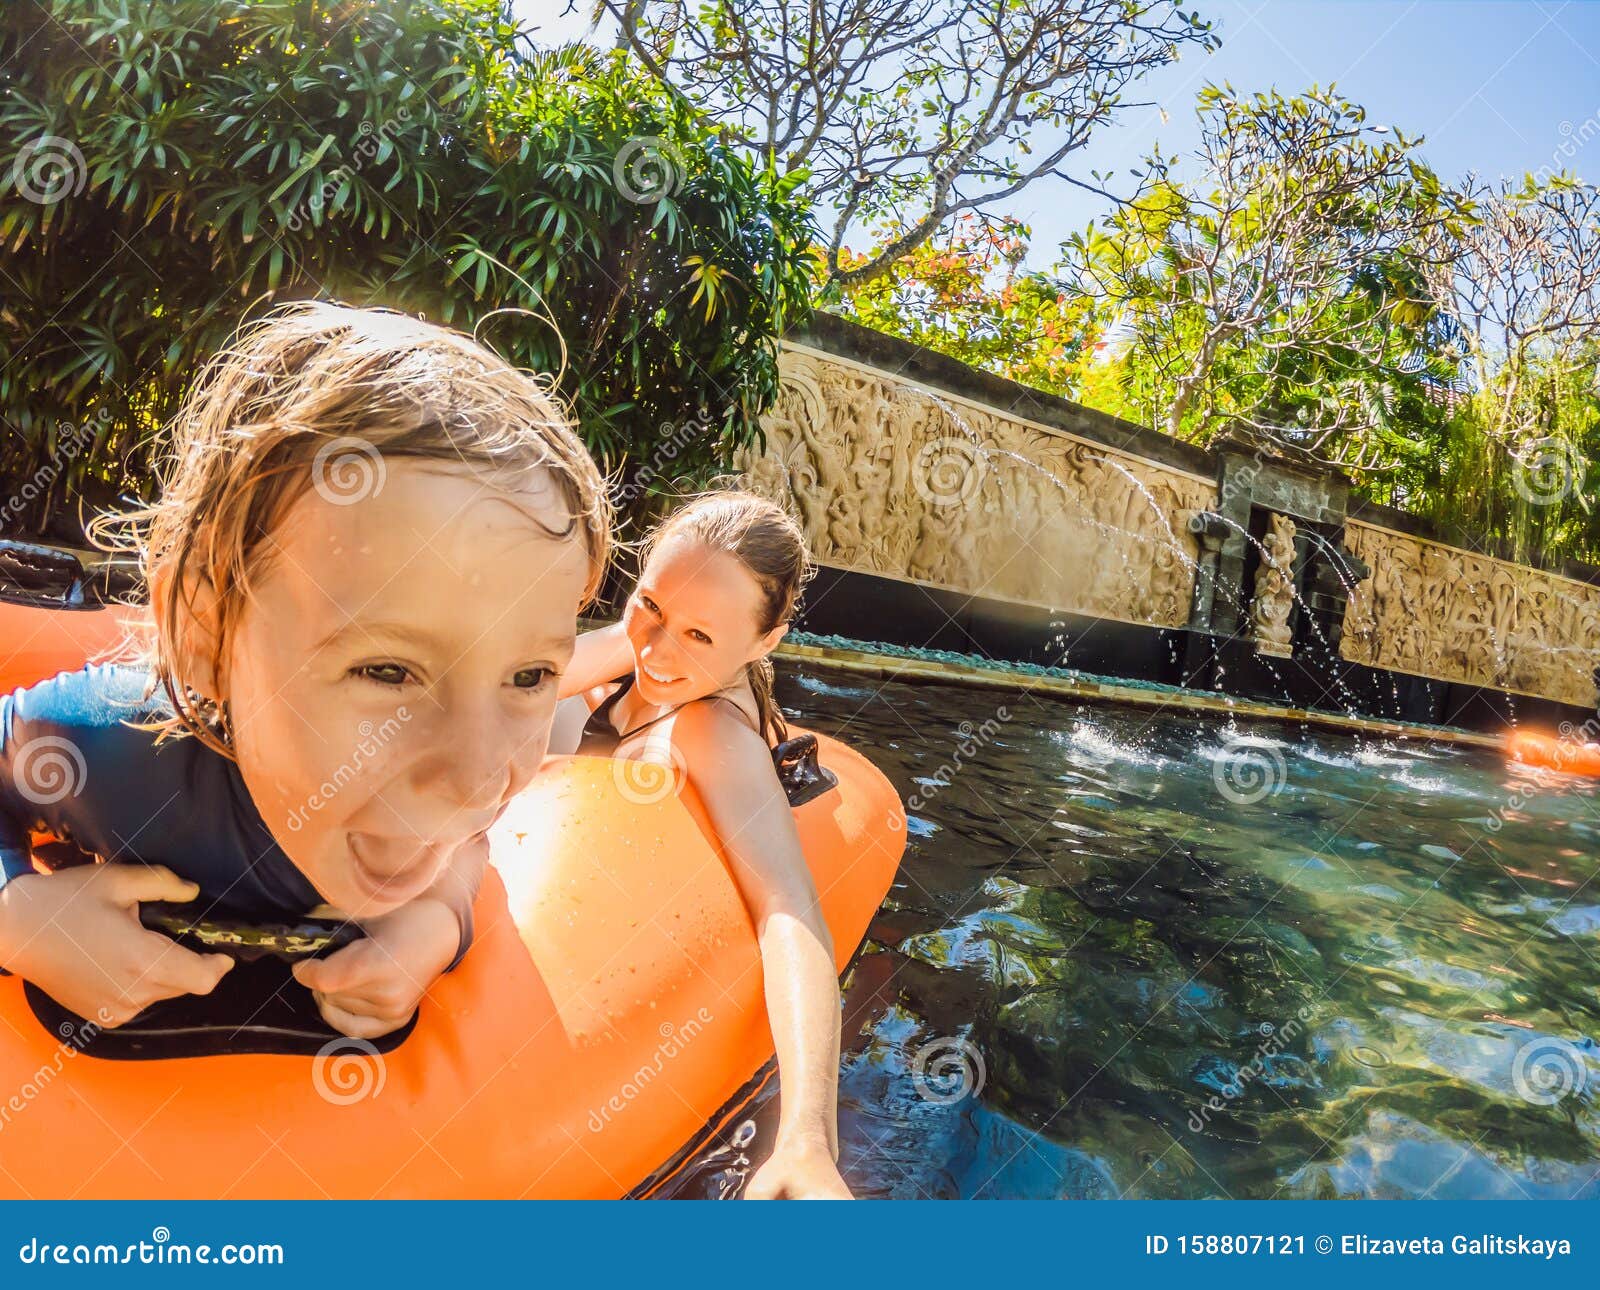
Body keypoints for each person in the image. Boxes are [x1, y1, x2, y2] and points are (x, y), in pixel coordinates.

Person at [0, 302, 611, 1039]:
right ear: (204, 633)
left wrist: (437, 921)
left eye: (529, 676)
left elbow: (472, 837)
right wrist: (19, 916)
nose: (479, 776)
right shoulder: (111, 750)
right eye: (388, 671)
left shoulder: (468, 770)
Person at [553, 491, 853, 1200]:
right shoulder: (634, 644)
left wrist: (808, 1135)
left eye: (699, 637)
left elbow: (790, 912)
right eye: (651, 605)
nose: (656, 651)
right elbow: (506, 681)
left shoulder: (714, 737)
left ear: (764, 641)